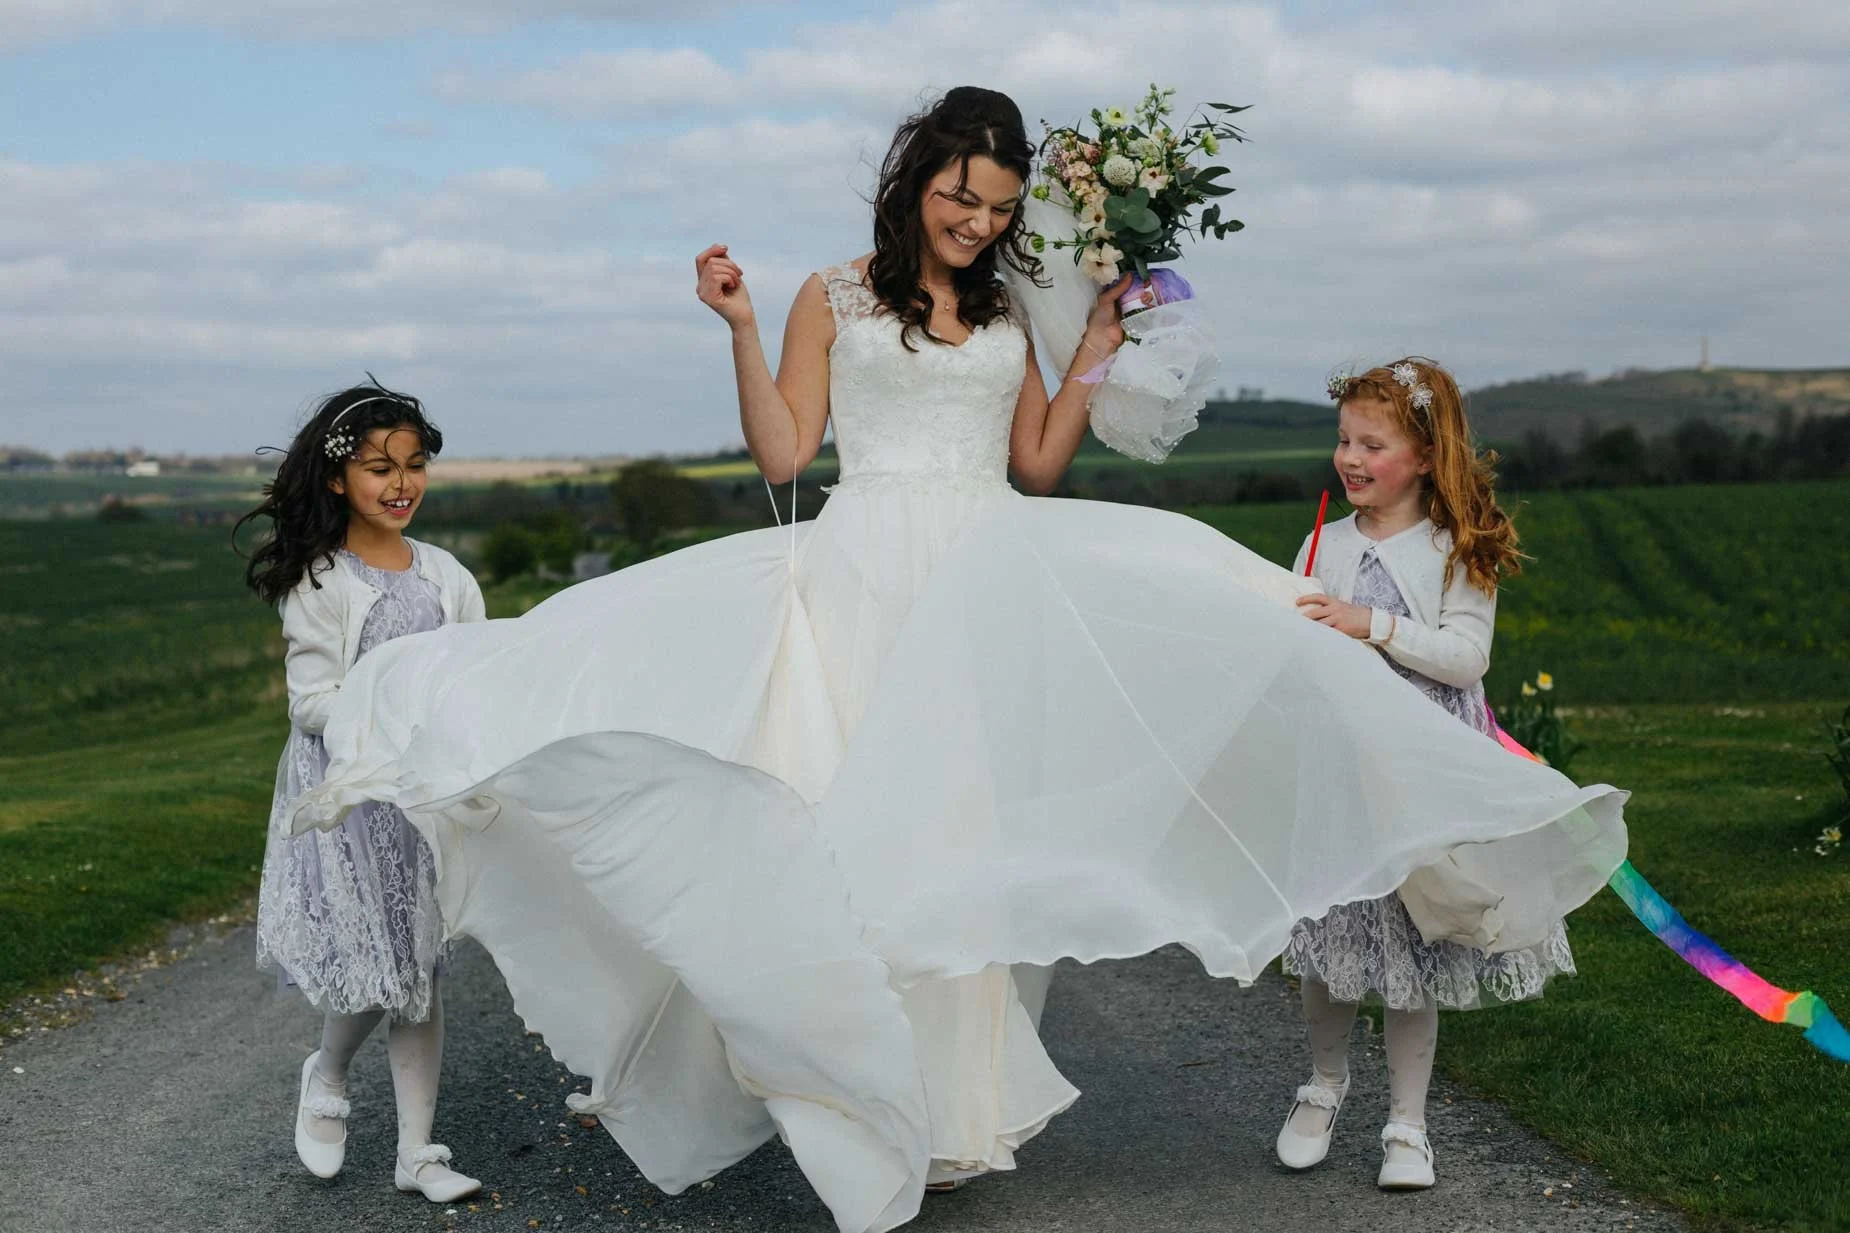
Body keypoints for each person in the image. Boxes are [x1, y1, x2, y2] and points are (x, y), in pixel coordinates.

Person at [286, 90, 1626, 1233]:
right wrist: (743, 328)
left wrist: (1094, 346)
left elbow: (1035, 466)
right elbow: (783, 456)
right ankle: (839, 1099)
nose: (976, 223)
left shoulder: (1007, 316)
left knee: (952, 837)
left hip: (978, 586)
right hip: (861, 575)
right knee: (834, 830)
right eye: (958, 196)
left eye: (997, 206)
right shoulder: (833, 293)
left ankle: (943, 1118)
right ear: (917, 176)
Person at [1275, 358, 1563, 1191]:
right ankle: (1323, 1086)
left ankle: (1409, 1123)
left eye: (1374, 443)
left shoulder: (1451, 548)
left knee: (1410, 943)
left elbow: (1466, 657)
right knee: (1329, 944)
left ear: (1428, 455)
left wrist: (1373, 624)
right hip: (1338, 771)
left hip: (1419, 774)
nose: (1350, 458)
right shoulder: (1321, 540)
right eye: (1343, 440)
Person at [239, 382, 486, 1203]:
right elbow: (311, 701)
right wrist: (388, 702)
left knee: (420, 968)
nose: (402, 483)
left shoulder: (447, 577)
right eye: (381, 467)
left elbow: (476, 674)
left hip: (423, 797)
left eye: (415, 465)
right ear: (340, 479)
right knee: (376, 968)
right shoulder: (321, 580)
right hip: (351, 795)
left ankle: (417, 1151)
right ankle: (330, 1072)